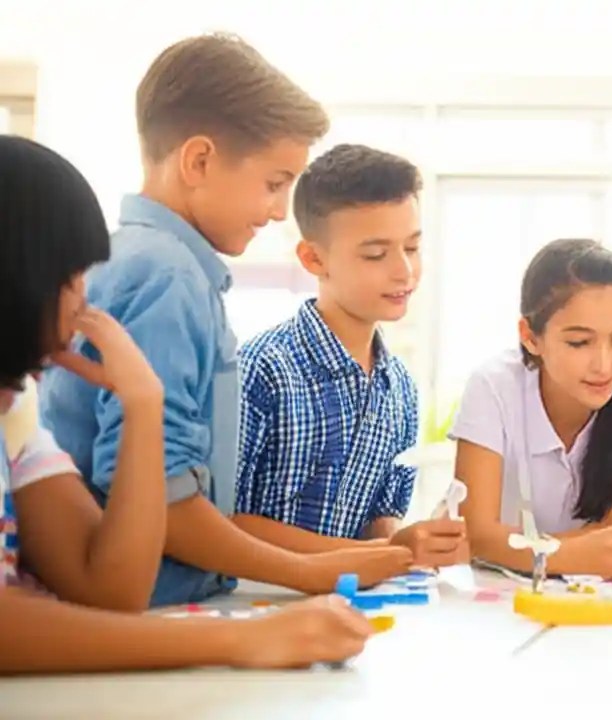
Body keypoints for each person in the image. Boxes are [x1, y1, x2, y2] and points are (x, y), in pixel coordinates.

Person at [38, 33, 410, 608]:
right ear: (200, 161)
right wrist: (314, 571)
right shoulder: (166, 276)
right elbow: (160, 496)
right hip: (140, 600)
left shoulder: (148, 260)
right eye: (274, 183)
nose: (280, 210)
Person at [0, 135, 374, 674]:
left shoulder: (15, 417)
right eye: (68, 277)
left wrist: (144, 403)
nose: (83, 297)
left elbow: (112, 590)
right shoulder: (165, 269)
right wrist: (239, 640)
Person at [234, 144, 466, 567]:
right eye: (376, 254)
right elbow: (226, 522)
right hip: (252, 605)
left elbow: (383, 522)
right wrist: (384, 552)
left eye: (412, 248)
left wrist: (415, 543)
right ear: (313, 258)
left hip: (352, 606)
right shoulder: (262, 369)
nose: (404, 271)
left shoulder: (400, 389)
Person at [451, 239, 612, 579]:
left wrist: (533, 549)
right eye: (579, 342)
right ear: (530, 337)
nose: (604, 365)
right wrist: (569, 552)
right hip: (492, 593)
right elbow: (475, 535)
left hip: (590, 599)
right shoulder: (493, 388)